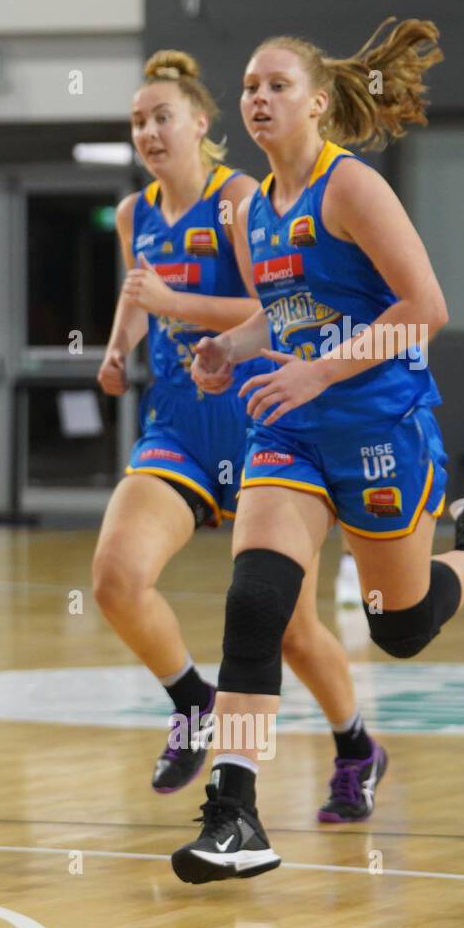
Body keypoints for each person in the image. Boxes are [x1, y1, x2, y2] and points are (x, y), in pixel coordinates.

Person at [172, 18, 464, 884]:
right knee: (256, 605)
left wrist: (319, 372)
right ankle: (236, 809)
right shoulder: (252, 206)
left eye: (277, 85)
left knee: (400, 627)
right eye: (250, 85)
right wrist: (234, 349)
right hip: (291, 430)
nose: (258, 97)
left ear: (319, 102)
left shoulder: (352, 187)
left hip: (379, 427)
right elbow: (288, 313)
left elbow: (425, 307)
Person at [94, 51, 368, 814]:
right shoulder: (133, 213)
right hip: (179, 427)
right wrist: (119, 346)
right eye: (138, 121)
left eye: (162, 117)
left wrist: (175, 305)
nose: (148, 131)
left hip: (262, 427)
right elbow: (139, 292)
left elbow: (268, 306)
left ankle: (355, 745)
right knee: (115, 579)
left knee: (290, 630)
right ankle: (192, 699)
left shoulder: (239, 199)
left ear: (200, 124)